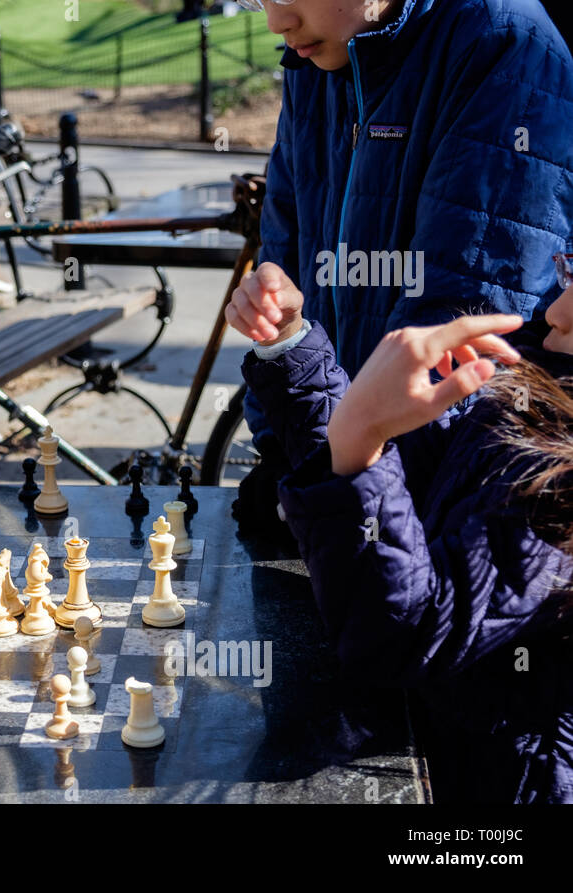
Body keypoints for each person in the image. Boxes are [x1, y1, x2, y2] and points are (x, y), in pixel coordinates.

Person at [225, 256, 573, 803]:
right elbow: (395, 481)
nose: (556, 309)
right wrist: (290, 348)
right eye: (571, 272)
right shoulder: (534, 386)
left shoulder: (561, 471)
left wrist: (362, 444)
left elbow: (404, 639)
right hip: (428, 748)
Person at [234, 0, 573, 536]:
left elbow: (459, 328)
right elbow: (286, 255)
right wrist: (288, 444)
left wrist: (340, 474)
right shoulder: (317, 55)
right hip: (340, 463)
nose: (276, 21)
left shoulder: (503, 40)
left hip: (434, 501)